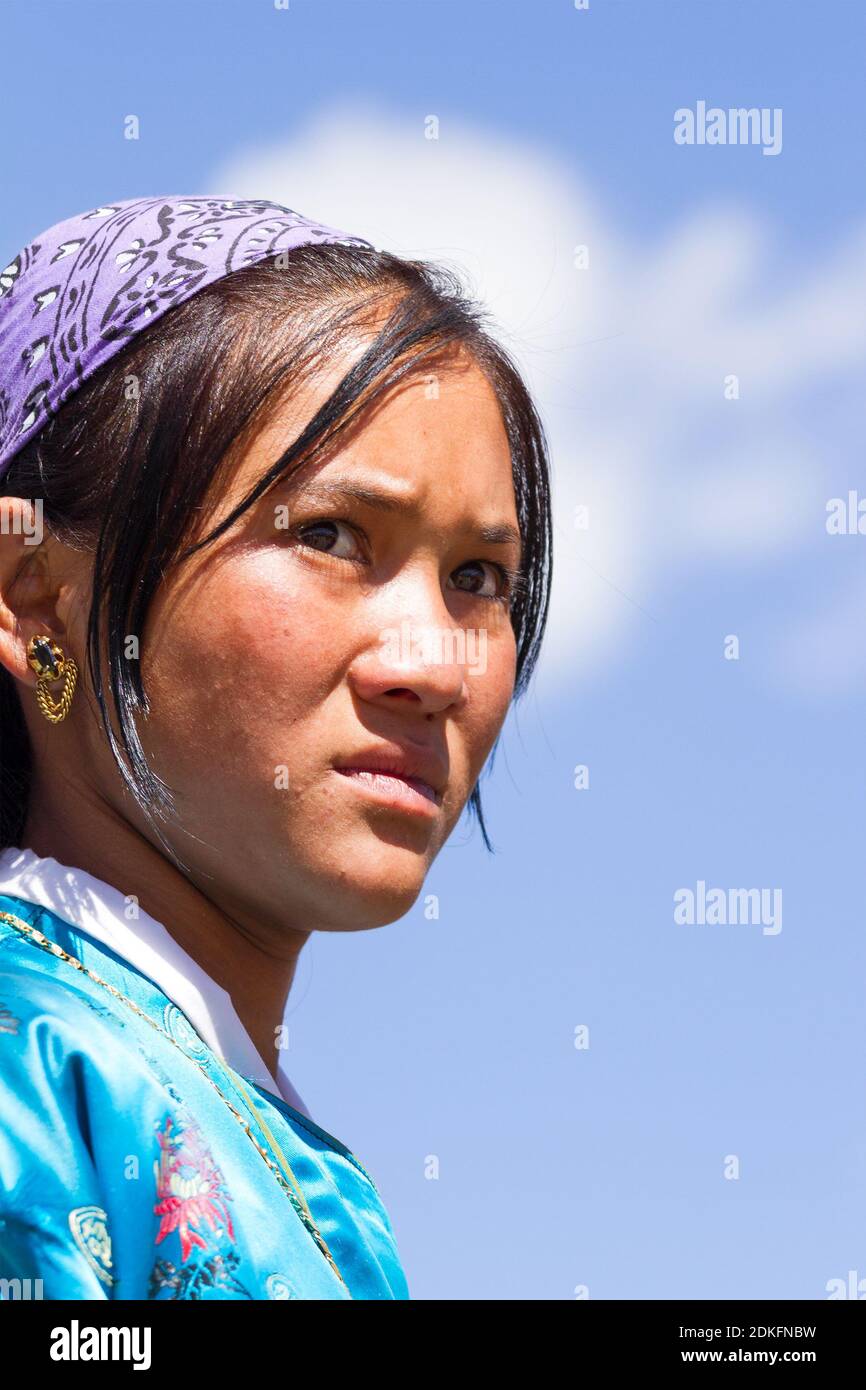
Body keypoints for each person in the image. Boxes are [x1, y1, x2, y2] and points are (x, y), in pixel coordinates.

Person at [0, 195, 552, 1300]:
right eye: (329, 536)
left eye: (477, 579)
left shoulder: (220, 1111)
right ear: (36, 601)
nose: (433, 665)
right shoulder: (37, 1070)